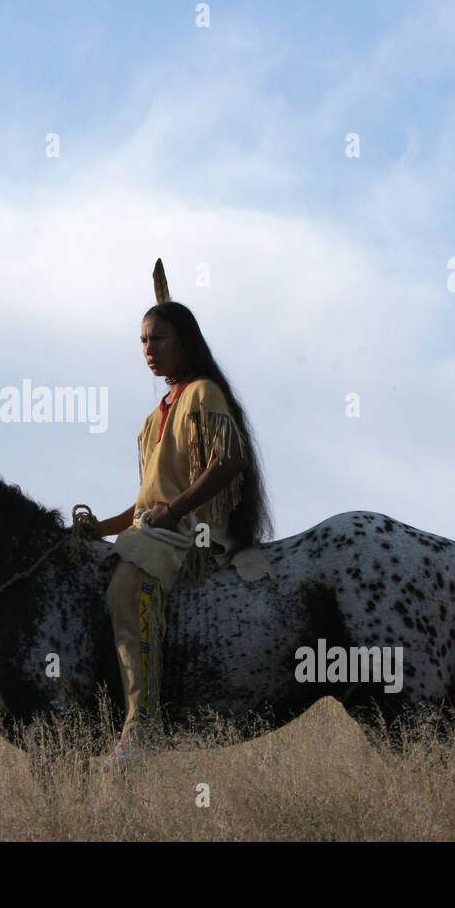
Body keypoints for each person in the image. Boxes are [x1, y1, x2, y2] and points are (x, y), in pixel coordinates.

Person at [92, 295, 274, 770]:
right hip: (158, 526)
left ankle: (141, 726)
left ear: (184, 340)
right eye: (143, 341)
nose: (149, 349)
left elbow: (227, 461)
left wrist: (172, 511)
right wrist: (99, 530)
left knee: (128, 588)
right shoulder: (154, 418)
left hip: (192, 531)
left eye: (159, 338)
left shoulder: (204, 393)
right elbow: (143, 504)